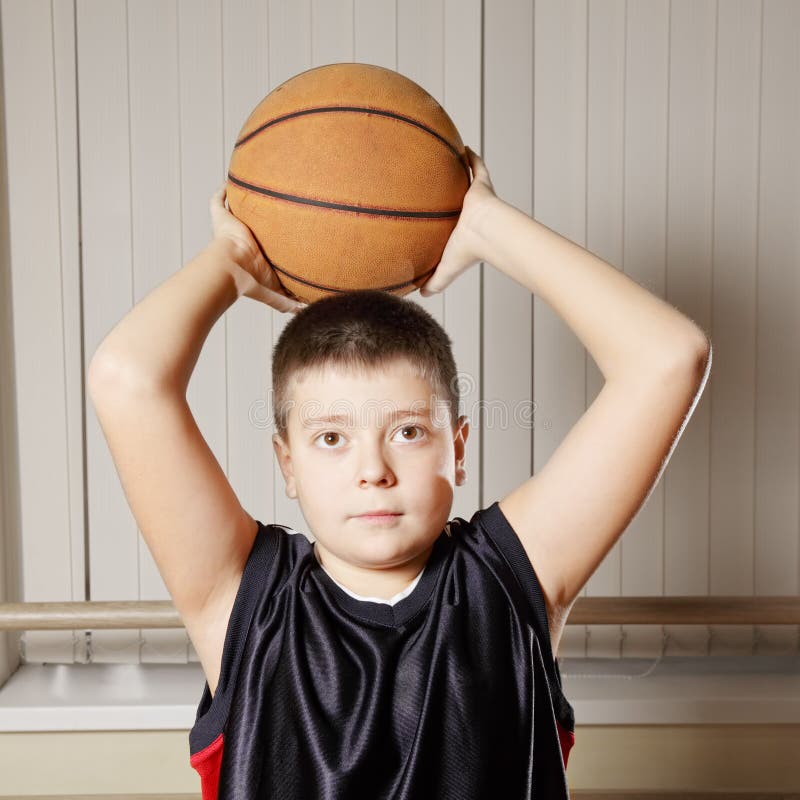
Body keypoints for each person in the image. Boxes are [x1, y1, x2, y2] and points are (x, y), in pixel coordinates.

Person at [88, 148, 711, 799]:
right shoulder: (241, 600)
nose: (373, 471)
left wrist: (488, 227)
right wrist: (231, 263)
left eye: (409, 432)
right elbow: (125, 379)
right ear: (287, 463)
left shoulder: (510, 577)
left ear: (458, 448)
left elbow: (669, 357)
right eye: (332, 437)